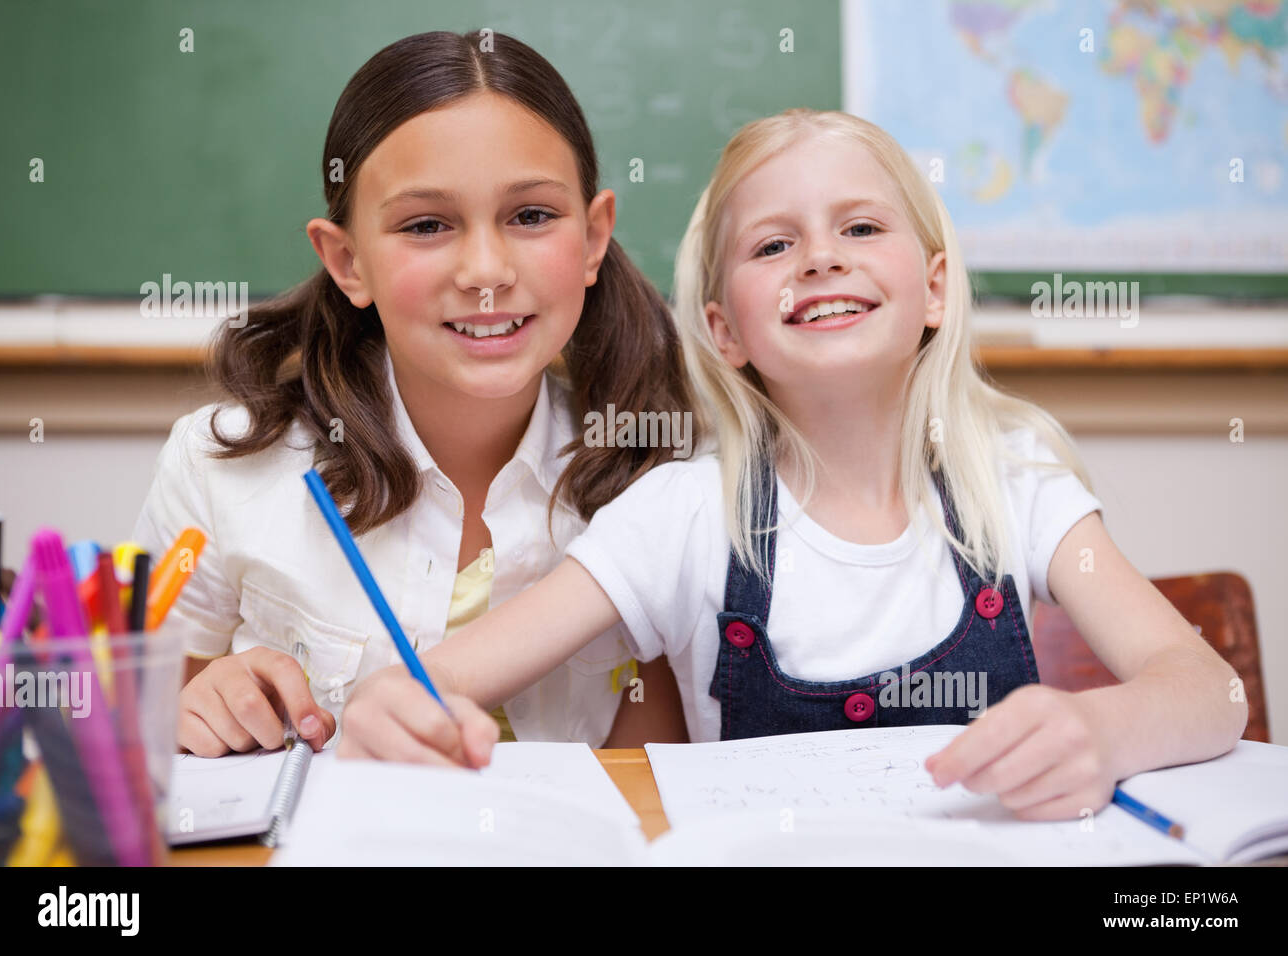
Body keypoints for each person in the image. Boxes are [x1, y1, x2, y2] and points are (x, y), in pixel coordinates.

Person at [344, 108, 1247, 820]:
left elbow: (1209, 690)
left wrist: (1100, 727)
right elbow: (429, 685)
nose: (820, 258)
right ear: (725, 330)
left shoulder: (1017, 490)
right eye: (773, 245)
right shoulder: (681, 514)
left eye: (859, 227)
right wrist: (395, 706)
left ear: (934, 288)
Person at [135, 31, 693, 762]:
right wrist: (201, 704)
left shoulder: (663, 476)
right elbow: (139, 734)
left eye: (530, 216)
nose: (486, 271)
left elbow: (653, 783)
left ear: (593, 240)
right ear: (347, 260)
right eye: (426, 225)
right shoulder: (221, 466)